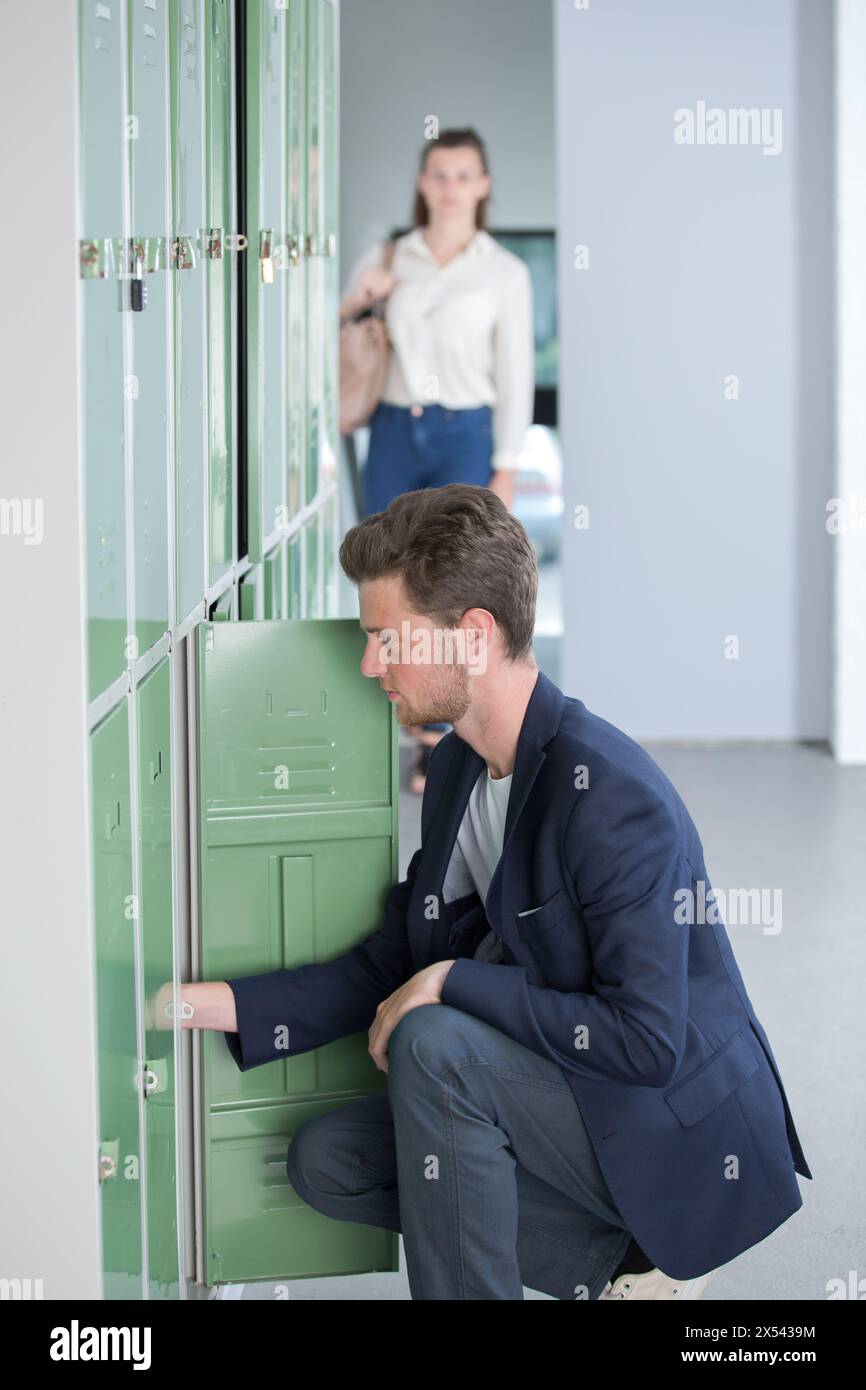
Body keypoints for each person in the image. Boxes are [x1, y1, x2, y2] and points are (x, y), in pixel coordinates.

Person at [163, 485, 812, 1301]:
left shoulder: (609, 797)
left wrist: (453, 981)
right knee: (331, 1159)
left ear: (472, 636)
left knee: (436, 1043)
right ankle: (622, 1272)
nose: (368, 666)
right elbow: (394, 958)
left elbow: (648, 1042)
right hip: (564, 1092)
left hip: (664, 1118)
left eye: (385, 640)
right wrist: (187, 1006)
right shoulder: (461, 771)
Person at [339, 127, 534, 794]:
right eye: (438, 173)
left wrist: (505, 463)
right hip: (395, 428)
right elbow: (332, 335)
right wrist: (358, 298)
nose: (449, 186)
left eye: (463, 175)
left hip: (464, 432)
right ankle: (406, 722)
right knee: (385, 574)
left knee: (452, 585)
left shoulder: (504, 272)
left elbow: (515, 375)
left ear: (482, 185)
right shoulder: (392, 255)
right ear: (422, 182)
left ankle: (443, 738)